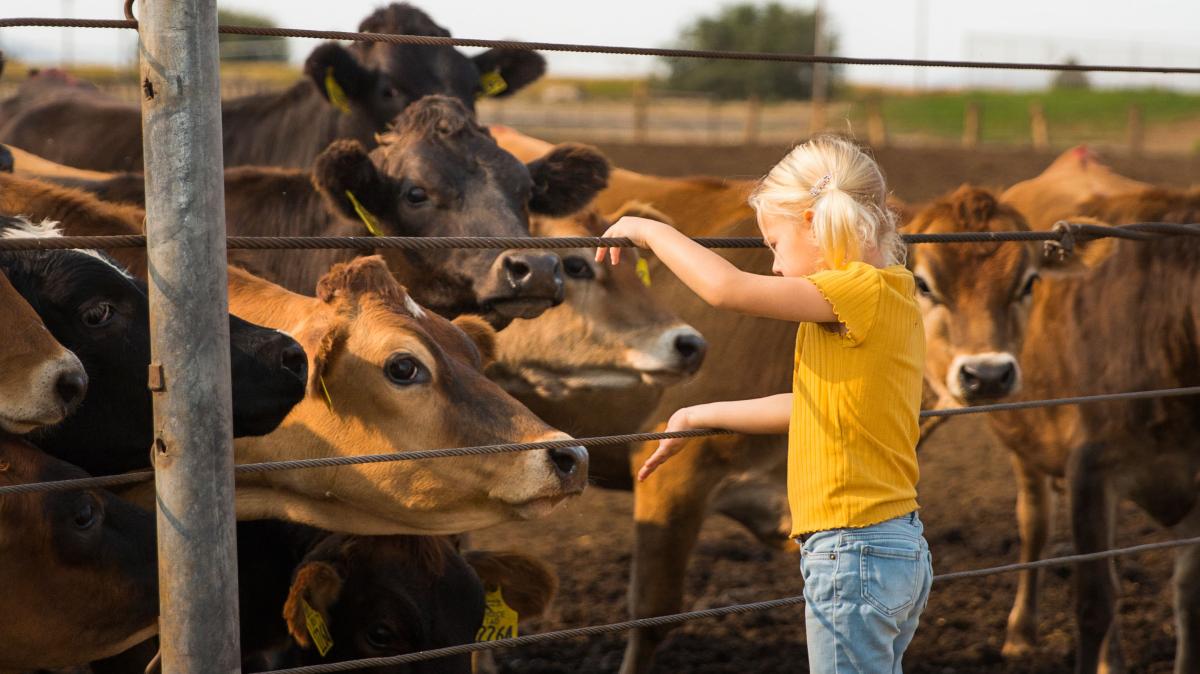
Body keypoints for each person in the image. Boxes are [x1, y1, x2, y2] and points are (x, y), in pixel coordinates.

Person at [596, 136, 932, 673]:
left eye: (774, 244)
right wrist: (697, 415)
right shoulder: (893, 294)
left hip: (853, 552)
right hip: (891, 546)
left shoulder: (856, 292)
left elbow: (727, 290)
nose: (774, 266)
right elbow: (811, 405)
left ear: (813, 223)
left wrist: (648, 229)